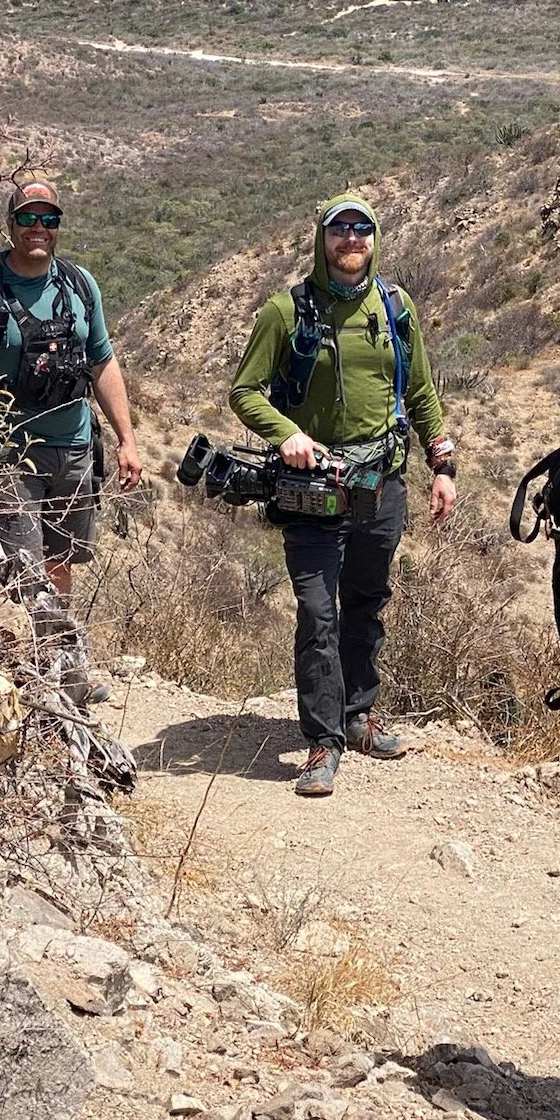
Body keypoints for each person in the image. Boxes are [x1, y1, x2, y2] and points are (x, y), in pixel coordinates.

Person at [228, 195, 457, 799]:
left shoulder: (396, 307)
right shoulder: (285, 312)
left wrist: (442, 463)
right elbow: (246, 393)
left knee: (366, 600)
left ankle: (358, 716)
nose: (351, 240)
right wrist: (288, 435)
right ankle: (322, 742)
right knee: (317, 611)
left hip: (380, 485)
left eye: (362, 230)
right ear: (321, 240)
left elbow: (423, 391)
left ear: (375, 239)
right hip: (312, 490)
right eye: (339, 230)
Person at [0, 178, 144, 649]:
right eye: (27, 218)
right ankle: (32, 669)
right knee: (21, 565)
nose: (38, 228)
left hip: (74, 448)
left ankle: (52, 660)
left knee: (59, 562)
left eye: (48, 219)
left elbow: (103, 361)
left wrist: (126, 440)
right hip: (10, 451)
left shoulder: (79, 285)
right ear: (11, 225)